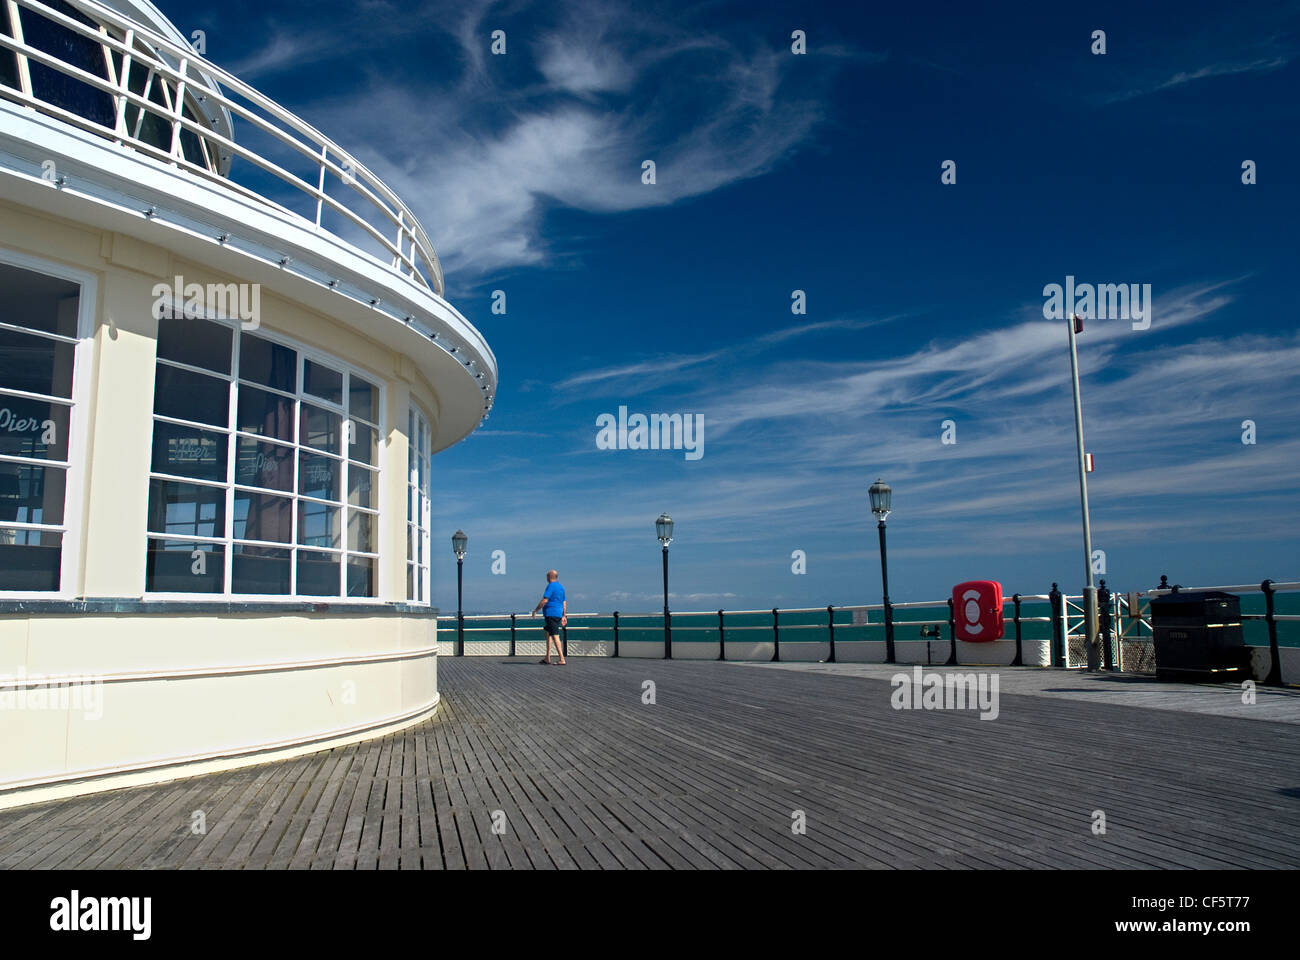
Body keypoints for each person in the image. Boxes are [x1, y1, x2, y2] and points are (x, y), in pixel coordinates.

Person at [531, 569, 567, 665]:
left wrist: (536, 610)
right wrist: (564, 615)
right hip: (558, 614)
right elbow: (564, 602)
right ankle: (547, 657)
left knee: (555, 636)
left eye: (547, 577)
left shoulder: (550, 586)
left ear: (549, 577)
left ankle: (562, 659)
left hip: (551, 614)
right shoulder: (561, 587)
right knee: (548, 633)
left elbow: (545, 600)